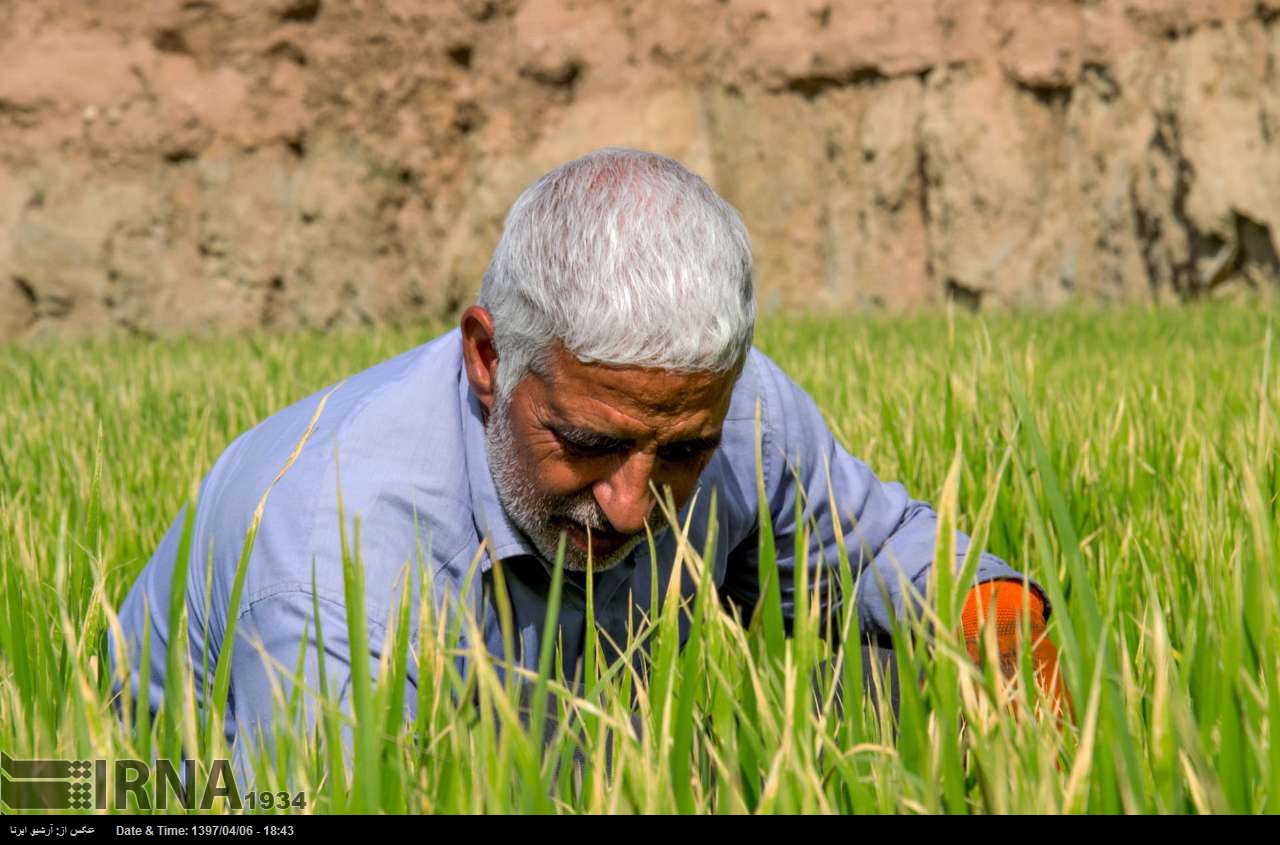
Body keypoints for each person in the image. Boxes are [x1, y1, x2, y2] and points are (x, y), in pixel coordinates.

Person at [111, 147, 1065, 775]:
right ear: (489, 357)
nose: (630, 504)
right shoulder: (337, 561)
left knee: (909, 687)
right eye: (590, 443)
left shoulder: (723, 407)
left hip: (597, 755)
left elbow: (886, 548)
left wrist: (1013, 638)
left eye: (683, 450)